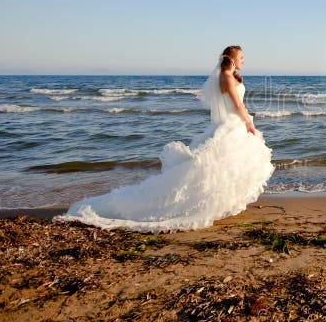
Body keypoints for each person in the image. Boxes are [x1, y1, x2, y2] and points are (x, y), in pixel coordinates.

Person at [56, 46, 274, 232]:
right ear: (233, 59)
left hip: (229, 124)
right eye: (242, 57)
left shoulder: (225, 76)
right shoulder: (226, 77)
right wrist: (249, 123)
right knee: (217, 166)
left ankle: (226, 201)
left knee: (226, 166)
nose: (244, 60)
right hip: (233, 123)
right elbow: (237, 105)